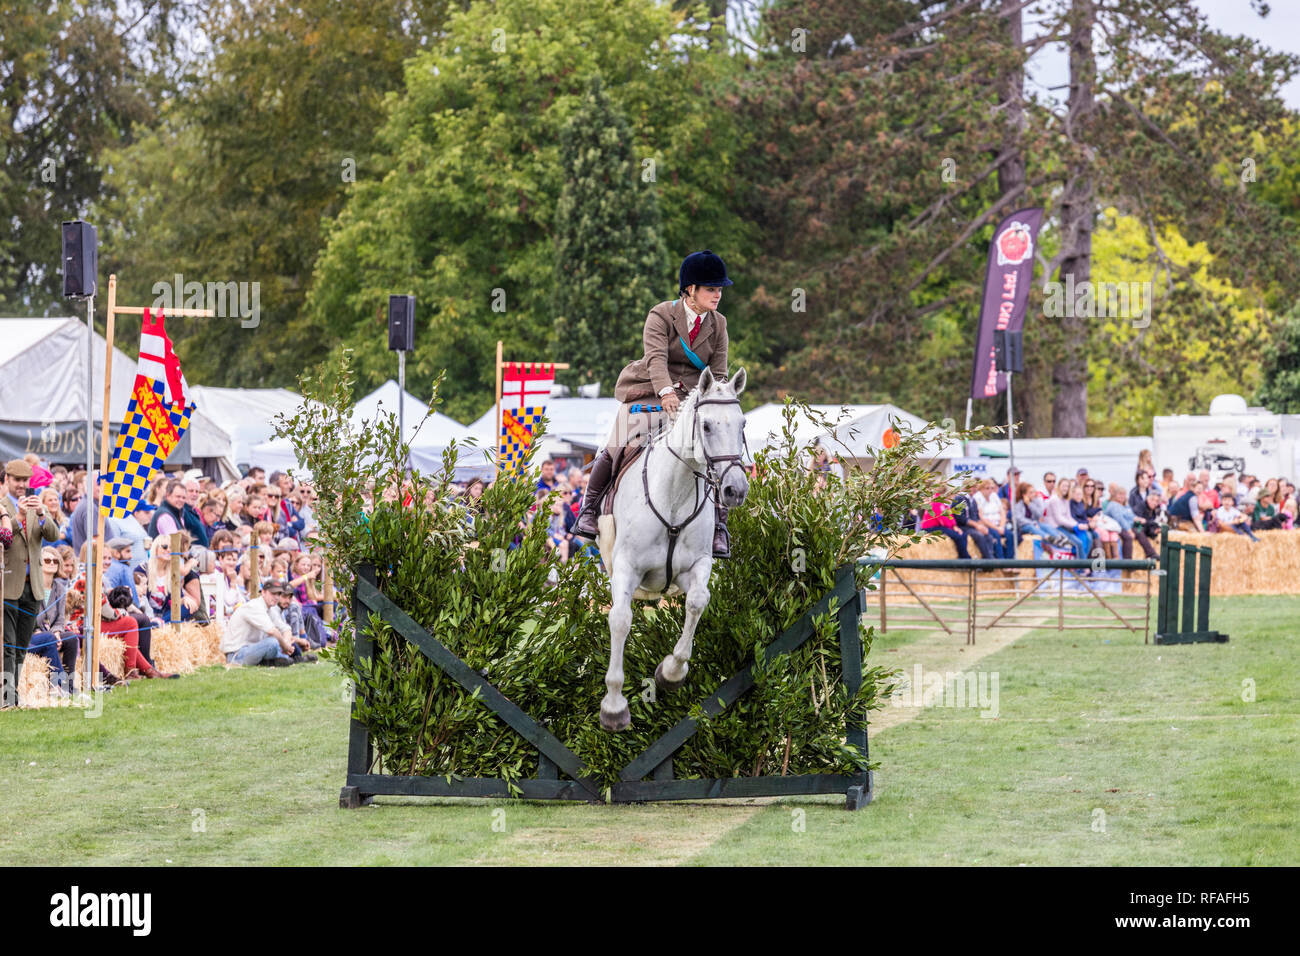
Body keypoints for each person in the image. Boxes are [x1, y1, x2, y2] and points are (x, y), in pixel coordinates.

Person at [574, 249, 735, 557]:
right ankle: (589, 510)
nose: (718, 294)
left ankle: (718, 526)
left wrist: (718, 401)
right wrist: (666, 393)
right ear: (691, 289)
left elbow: (718, 373)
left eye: (719, 289)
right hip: (650, 391)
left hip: (692, 401)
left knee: (719, 453)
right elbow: (656, 360)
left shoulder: (720, 324)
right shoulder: (661, 314)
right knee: (615, 446)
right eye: (711, 288)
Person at [2, 458, 63, 706]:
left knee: (21, 646)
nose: (21, 485)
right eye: (17, 480)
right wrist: (15, 517)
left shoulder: (38, 504)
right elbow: (4, 538)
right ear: (6, 479)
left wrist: (40, 514)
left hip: (33, 586)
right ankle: (8, 698)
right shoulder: (2, 505)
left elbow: (54, 534)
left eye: (25, 481)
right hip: (7, 585)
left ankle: (10, 693)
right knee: (7, 644)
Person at [29, 546, 77, 694]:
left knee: (71, 638)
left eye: (55, 560)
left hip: (50, 633)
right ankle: (58, 685)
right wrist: (38, 631)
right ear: (39, 563)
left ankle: (68, 684)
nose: (52, 563)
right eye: (47, 560)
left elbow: (60, 619)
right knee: (49, 638)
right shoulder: (30, 586)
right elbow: (26, 617)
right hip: (31, 636)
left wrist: (57, 632)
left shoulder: (60, 589)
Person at [221, 582, 299, 666]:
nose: (276, 597)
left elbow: (286, 629)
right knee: (273, 642)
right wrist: (285, 646)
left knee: (280, 643)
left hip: (252, 649)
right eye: (273, 593)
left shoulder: (270, 609)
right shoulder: (255, 606)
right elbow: (272, 631)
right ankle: (286, 659)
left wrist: (286, 643)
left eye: (279, 594)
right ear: (263, 592)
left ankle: (278, 660)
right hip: (236, 654)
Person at [1043, 477, 1087, 559]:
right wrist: (1076, 526)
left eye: (1067, 486)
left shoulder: (1066, 500)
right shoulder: (1054, 499)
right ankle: (1082, 567)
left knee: (1087, 537)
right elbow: (1059, 519)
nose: (1065, 488)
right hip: (1055, 527)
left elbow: (1068, 516)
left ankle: (1084, 564)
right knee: (1078, 543)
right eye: (1064, 486)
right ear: (1059, 486)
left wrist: (1078, 524)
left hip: (1064, 526)